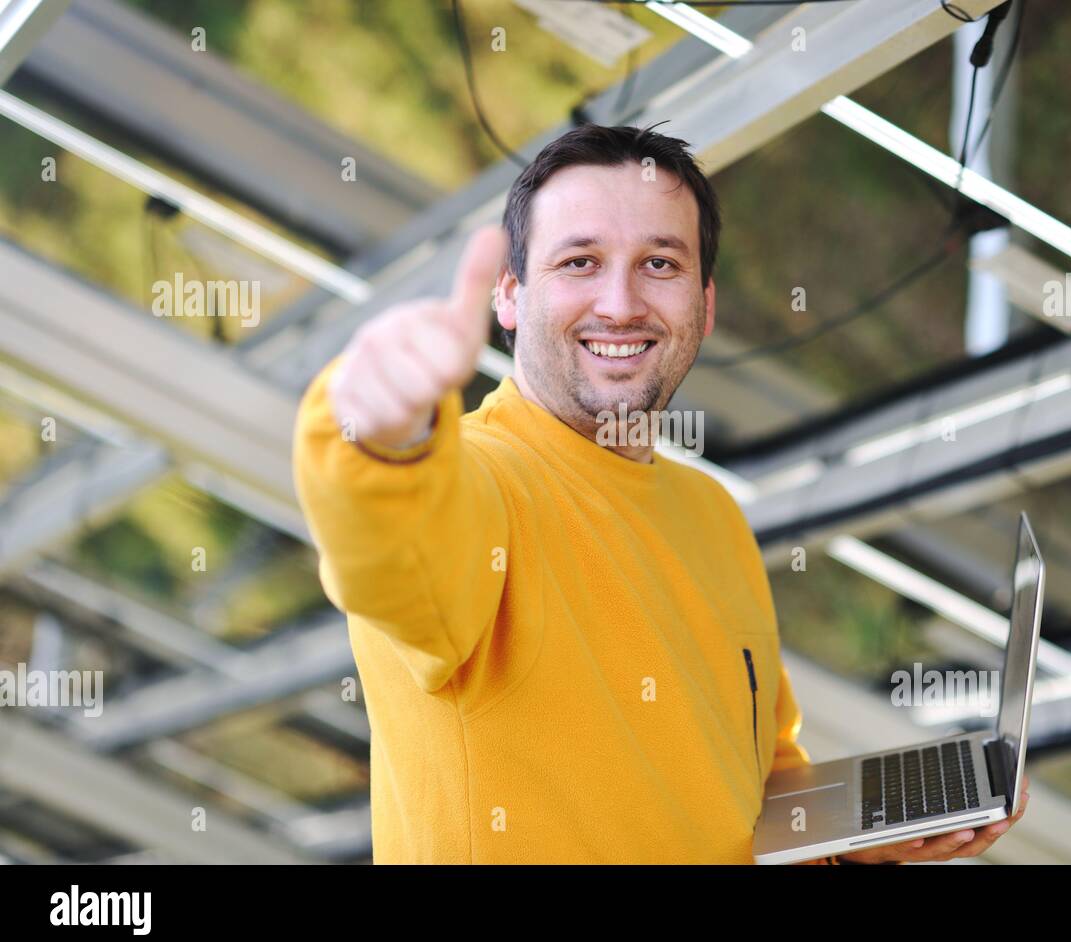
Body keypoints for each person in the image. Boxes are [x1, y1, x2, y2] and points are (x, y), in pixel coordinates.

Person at [292, 123, 1027, 863]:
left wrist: (852, 844)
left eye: (660, 263)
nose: (620, 304)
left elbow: (756, 778)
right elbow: (391, 553)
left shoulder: (712, 514)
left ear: (704, 305)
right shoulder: (480, 481)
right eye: (579, 261)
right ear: (510, 296)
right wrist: (381, 436)